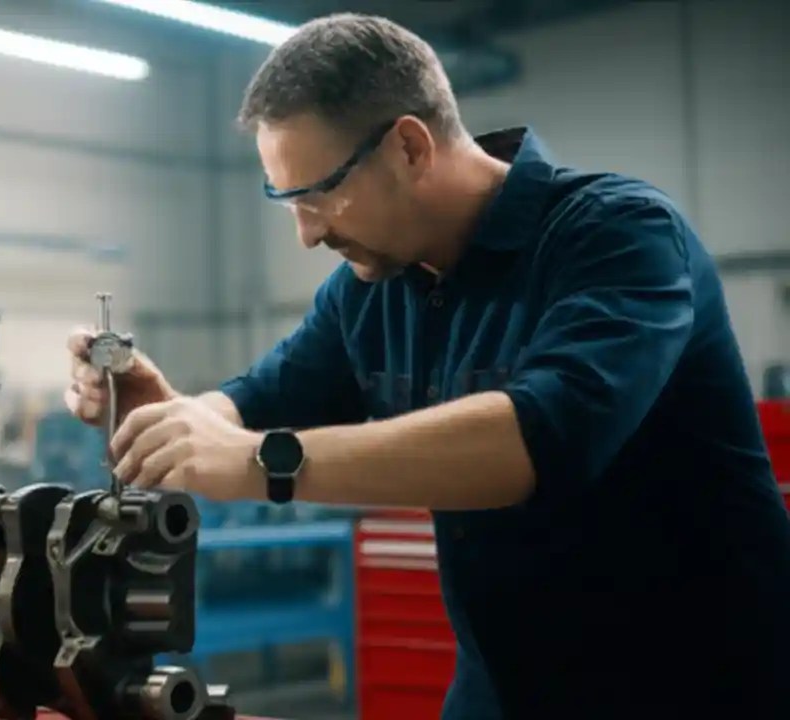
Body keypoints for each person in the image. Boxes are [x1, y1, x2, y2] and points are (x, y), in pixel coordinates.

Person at [63, 12, 790, 720]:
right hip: (503, 690)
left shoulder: (618, 236)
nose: (307, 234)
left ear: (410, 148)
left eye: (319, 195)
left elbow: (539, 437)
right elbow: (264, 397)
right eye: (285, 200)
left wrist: (263, 463)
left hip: (697, 686)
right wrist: (174, 413)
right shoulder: (368, 293)